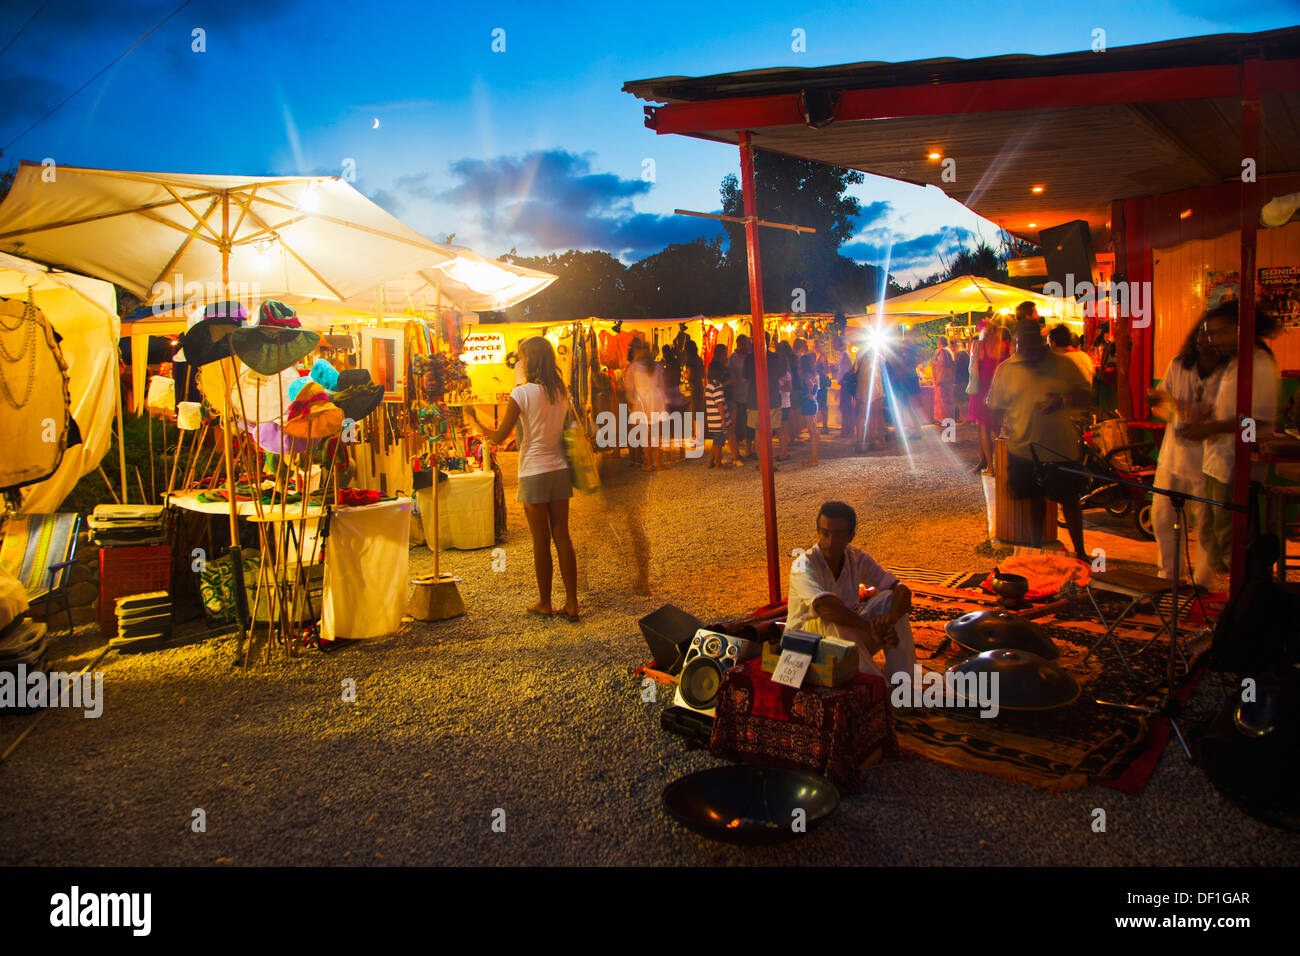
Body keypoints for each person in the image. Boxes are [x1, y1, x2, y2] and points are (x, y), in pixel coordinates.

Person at [464, 335, 579, 621]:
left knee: (541, 541)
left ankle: (545, 602)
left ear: (531, 361)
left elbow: (501, 436)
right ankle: (573, 602)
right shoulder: (561, 391)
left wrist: (477, 421)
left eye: (522, 357)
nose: (520, 362)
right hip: (559, 469)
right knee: (562, 536)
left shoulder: (521, 394)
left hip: (534, 470)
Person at [1177, 301, 1281, 577]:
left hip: (1237, 466)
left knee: (1232, 542)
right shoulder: (1236, 363)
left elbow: (1255, 421)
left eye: (1219, 332)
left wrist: (1212, 428)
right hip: (1217, 462)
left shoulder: (1259, 364)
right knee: (1211, 534)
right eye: (1210, 334)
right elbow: (1237, 412)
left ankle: (1244, 602)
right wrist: (1208, 414)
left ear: (1241, 328)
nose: (1213, 341)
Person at [985, 304, 1092, 558]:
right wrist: (1000, 430)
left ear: (1042, 340)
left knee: (1069, 501)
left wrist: (1063, 400)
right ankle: (1036, 551)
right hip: (1024, 450)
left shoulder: (1063, 365)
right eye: (1023, 343)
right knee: (1034, 502)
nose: (1029, 349)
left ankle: (1081, 552)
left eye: (1034, 342)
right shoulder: (1006, 370)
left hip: (1061, 448)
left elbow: (1087, 396)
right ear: (1017, 343)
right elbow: (994, 407)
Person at [786, 501, 916, 689]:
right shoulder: (803, 565)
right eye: (825, 533)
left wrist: (889, 620)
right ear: (818, 532)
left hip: (847, 638)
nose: (830, 541)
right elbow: (825, 607)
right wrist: (869, 627)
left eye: (838, 535)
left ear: (850, 536)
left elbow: (900, 589)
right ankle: (880, 691)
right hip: (804, 644)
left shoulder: (856, 557)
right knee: (833, 620)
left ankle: (902, 687)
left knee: (891, 603)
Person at [1145, 315, 1227, 589]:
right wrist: (1158, 401)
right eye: (1203, 335)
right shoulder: (1179, 365)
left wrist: (1208, 418)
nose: (1207, 340)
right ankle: (1168, 575)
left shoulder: (1231, 372)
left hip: (1208, 460)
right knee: (1163, 516)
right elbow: (1164, 403)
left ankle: (1203, 582)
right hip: (1173, 454)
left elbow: (1242, 419)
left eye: (1214, 336)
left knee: (1206, 525)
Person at [967, 322, 1005, 473]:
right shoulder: (1005, 345)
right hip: (1000, 389)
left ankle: (990, 466)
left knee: (983, 427)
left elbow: (972, 369)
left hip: (982, 391)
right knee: (999, 428)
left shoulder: (978, 346)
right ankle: (1000, 463)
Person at [704, 347, 731, 469]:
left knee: (716, 441)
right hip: (719, 420)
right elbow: (719, 403)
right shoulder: (717, 386)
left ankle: (711, 462)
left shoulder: (709, 385)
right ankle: (718, 464)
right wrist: (723, 419)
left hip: (712, 419)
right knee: (719, 442)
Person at [729, 334, 752, 459]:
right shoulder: (732, 359)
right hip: (737, 395)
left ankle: (749, 449)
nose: (746, 346)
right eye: (743, 343)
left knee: (750, 424)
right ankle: (736, 452)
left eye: (747, 343)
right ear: (738, 344)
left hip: (750, 394)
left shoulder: (751, 357)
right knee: (738, 424)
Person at [797, 350, 821, 466]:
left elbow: (811, 385)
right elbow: (816, 386)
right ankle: (813, 457)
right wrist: (813, 394)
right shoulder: (813, 373)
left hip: (808, 403)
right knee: (813, 431)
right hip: (812, 403)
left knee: (813, 431)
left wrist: (810, 393)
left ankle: (814, 458)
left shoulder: (806, 375)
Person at [931, 335, 956, 424]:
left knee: (943, 401)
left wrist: (933, 362)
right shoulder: (949, 351)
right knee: (948, 401)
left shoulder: (943, 352)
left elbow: (943, 363)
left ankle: (944, 420)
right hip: (948, 379)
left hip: (942, 379)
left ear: (940, 343)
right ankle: (948, 419)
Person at [953, 337, 970, 423]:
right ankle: (964, 417)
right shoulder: (965, 354)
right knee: (963, 400)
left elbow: (957, 369)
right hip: (965, 380)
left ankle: (964, 418)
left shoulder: (960, 355)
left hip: (961, 381)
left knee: (961, 400)